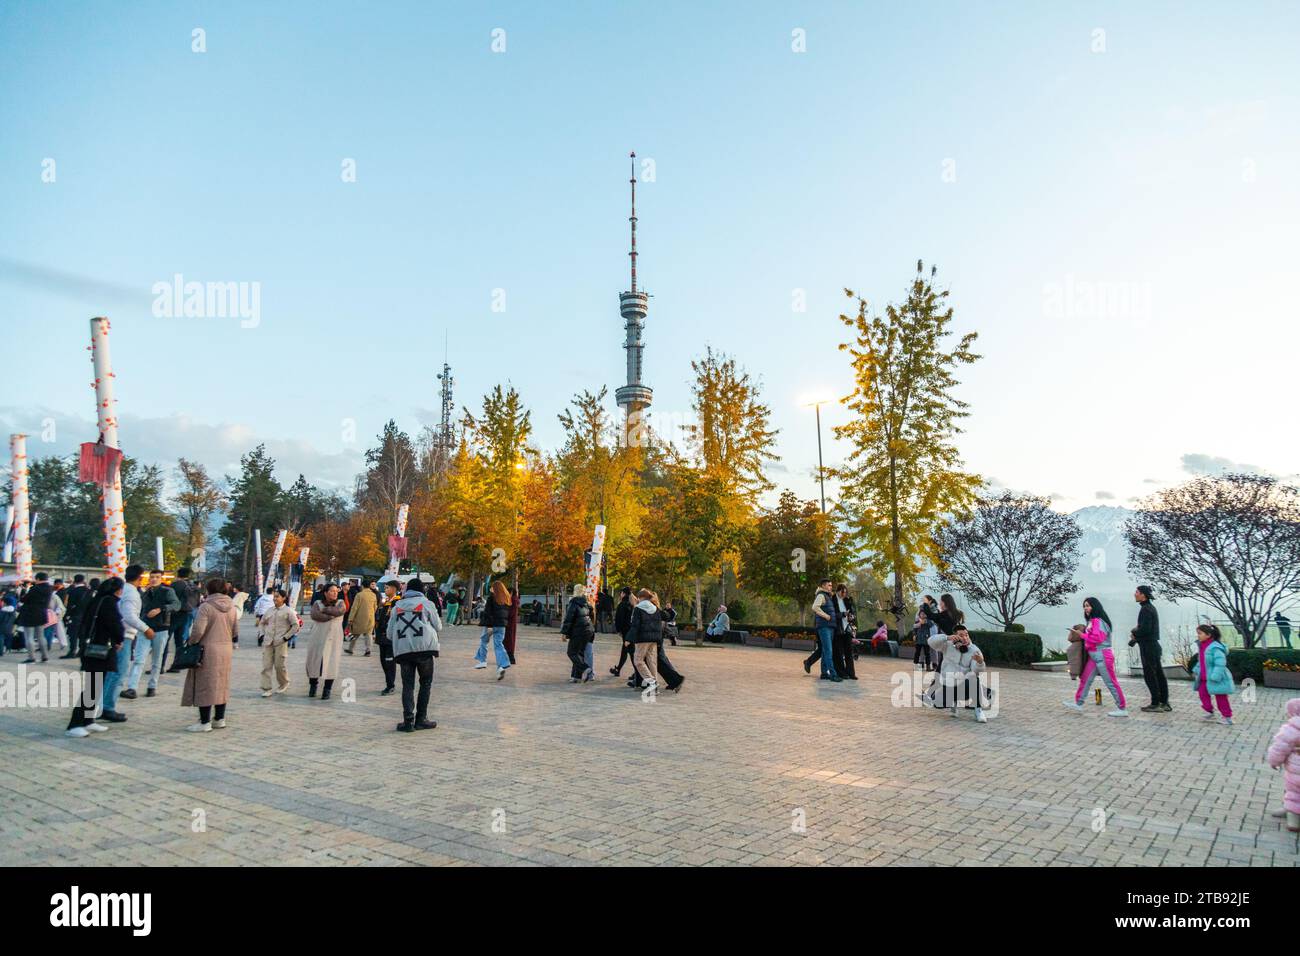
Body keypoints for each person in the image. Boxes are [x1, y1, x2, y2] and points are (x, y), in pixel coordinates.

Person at [64, 577, 124, 738]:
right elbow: (115, 624)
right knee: (92, 687)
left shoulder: (97, 599)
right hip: (99, 650)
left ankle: (88, 720)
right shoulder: (109, 602)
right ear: (117, 589)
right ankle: (75, 724)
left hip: (91, 648)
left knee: (96, 685)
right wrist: (119, 639)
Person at [181, 577, 239, 732]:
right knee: (221, 683)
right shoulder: (232, 606)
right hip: (225, 649)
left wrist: (192, 641)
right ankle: (219, 718)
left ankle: (204, 722)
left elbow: (198, 630)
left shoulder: (206, 606)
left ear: (209, 590)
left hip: (207, 649)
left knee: (205, 684)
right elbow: (235, 630)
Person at [387, 579, 441, 732]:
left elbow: (390, 633)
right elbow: (439, 626)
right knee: (425, 683)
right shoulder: (427, 604)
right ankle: (421, 719)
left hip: (404, 652)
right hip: (425, 649)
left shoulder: (397, 606)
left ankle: (408, 721)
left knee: (408, 686)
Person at [102, 565, 154, 723]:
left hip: (119, 634)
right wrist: (146, 629)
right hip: (124, 635)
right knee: (118, 672)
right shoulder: (132, 593)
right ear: (140, 577)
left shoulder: (124, 590)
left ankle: (103, 704)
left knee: (113, 671)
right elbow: (129, 616)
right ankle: (107, 707)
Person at [1062, 597, 1128, 718]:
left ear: (1095, 606)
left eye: (1088, 605)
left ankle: (1122, 708)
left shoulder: (1099, 621)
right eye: (1084, 606)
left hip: (1102, 654)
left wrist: (1081, 635)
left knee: (1110, 682)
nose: (1086, 608)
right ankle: (1079, 703)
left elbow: (1099, 638)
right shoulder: (1092, 621)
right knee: (1085, 679)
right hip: (1094, 655)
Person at [125, 569, 179, 699]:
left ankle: (152, 686)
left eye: (157, 577)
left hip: (161, 628)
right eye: (152, 577)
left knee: (156, 659)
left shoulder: (167, 591)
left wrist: (161, 609)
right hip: (145, 627)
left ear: (161, 578)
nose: (154, 579)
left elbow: (176, 605)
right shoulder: (145, 592)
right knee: (139, 659)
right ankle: (132, 687)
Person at [924, 624, 988, 722]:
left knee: (974, 677)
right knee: (938, 704)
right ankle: (953, 703)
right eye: (961, 635)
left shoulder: (974, 650)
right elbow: (930, 641)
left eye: (967, 635)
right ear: (955, 637)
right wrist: (946, 637)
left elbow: (976, 671)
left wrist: (980, 662)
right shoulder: (947, 645)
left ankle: (978, 710)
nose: (965, 638)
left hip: (964, 685)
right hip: (948, 684)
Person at [1129, 585, 1170, 713]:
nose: (1135, 594)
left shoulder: (1146, 609)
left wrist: (1134, 632)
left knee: (1150, 675)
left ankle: (1155, 703)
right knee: (1158, 674)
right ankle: (1164, 702)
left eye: (1137, 592)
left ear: (1143, 595)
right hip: (1153, 645)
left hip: (1148, 646)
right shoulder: (1150, 608)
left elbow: (1145, 629)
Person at [305, 583, 347, 699]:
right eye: (332, 591)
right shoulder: (317, 603)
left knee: (331, 662)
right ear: (325, 592)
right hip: (318, 636)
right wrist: (329, 614)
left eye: (336, 591)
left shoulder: (341, 603)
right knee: (314, 661)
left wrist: (325, 610)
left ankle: (327, 689)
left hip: (334, 637)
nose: (335, 593)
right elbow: (316, 615)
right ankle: (313, 686)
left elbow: (339, 611)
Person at [1265, 698, 1300, 834]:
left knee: (1294, 792)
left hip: (1296, 770)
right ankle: (1289, 809)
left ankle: (1293, 818)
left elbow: (1279, 748)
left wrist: (1274, 761)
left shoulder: (1291, 729)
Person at [1190, 623, 1235, 726]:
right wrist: (1196, 670)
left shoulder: (1215, 647)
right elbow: (1201, 661)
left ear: (1208, 635)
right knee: (1202, 693)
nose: (1198, 635)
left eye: (1200, 633)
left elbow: (1220, 663)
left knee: (1221, 698)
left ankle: (1227, 717)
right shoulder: (1202, 646)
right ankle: (1209, 710)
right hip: (1204, 678)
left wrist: (1215, 676)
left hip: (1215, 678)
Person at [259, 588, 299, 697]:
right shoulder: (269, 610)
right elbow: (262, 623)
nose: (275, 598)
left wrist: (286, 637)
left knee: (279, 665)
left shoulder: (288, 611)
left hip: (280, 642)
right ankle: (266, 688)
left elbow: (296, 625)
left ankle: (284, 683)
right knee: (266, 666)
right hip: (268, 642)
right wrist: (262, 634)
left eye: (277, 596)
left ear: (284, 598)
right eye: (274, 596)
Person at [473, 580, 512, 679]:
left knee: (483, 640)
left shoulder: (491, 598)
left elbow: (488, 612)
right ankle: (501, 666)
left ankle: (483, 661)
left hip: (491, 624)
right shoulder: (507, 599)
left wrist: (489, 626)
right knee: (498, 645)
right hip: (501, 625)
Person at [628, 588, 664, 693]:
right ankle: (654, 688)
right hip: (654, 639)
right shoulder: (655, 608)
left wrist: (629, 639)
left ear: (641, 598)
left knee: (638, 661)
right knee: (652, 662)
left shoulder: (638, 609)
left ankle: (652, 682)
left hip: (642, 639)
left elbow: (635, 626)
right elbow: (665, 618)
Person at [17, 571, 55, 663]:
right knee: (41, 636)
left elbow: (24, 599)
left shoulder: (35, 588)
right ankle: (44, 656)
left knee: (29, 636)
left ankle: (31, 657)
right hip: (42, 613)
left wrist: (20, 593)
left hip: (30, 614)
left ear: (38, 579)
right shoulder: (49, 588)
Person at [561, 585, 596, 683]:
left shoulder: (574, 602)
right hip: (588, 630)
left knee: (571, 652)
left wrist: (564, 632)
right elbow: (592, 616)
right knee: (579, 653)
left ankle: (585, 669)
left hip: (578, 631)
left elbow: (569, 618)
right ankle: (576, 676)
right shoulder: (587, 602)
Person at [166, 566, 199, 670]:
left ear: (178, 574)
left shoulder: (175, 585)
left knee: (166, 639)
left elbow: (168, 599)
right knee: (179, 641)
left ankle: (160, 666)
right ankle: (177, 665)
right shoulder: (193, 586)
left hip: (173, 614)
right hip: (186, 613)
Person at [810, 579, 841, 682]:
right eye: (829, 585)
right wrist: (826, 616)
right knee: (828, 650)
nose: (831, 587)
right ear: (823, 586)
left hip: (830, 627)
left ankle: (824, 673)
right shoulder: (821, 595)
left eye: (831, 585)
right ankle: (833, 674)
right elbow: (814, 607)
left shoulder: (828, 596)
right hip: (824, 627)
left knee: (824, 650)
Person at [374, 579, 401, 695]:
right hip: (381, 637)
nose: (385, 590)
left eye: (387, 588)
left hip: (390, 637)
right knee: (383, 661)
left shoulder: (397, 602)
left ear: (394, 589)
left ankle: (390, 685)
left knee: (389, 662)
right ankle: (389, 683)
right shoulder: (386, 602)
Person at [60, 573, 92, 659]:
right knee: (82, 634)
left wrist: (67, 615)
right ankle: (82, 651)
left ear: (75, 580)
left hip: (75, 616)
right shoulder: (89, 591)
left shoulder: (73, 591)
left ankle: (72, 651)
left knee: (73, 635)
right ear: (83, 580)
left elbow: (69, 605)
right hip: (85, 616)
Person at [345, 577, 377, 656]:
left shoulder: (359, 595)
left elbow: (354, 607)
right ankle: (368, 650)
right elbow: (375, 607)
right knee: (368, 634)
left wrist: (350, 619)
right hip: (370, 618)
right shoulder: (373, 595)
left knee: (355, 633)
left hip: (359, 618)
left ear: (362, 586)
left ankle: (350, 649)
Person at [610, 587, 635, 676]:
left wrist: (618, 630)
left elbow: (619, 619)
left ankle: (638, 673)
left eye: (621, 593)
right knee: (625, 650)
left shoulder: (622, 604)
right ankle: (618, 669)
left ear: (623, 594)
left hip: (625, 631)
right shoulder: (632, 604)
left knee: (631, 652)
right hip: (631, 630)